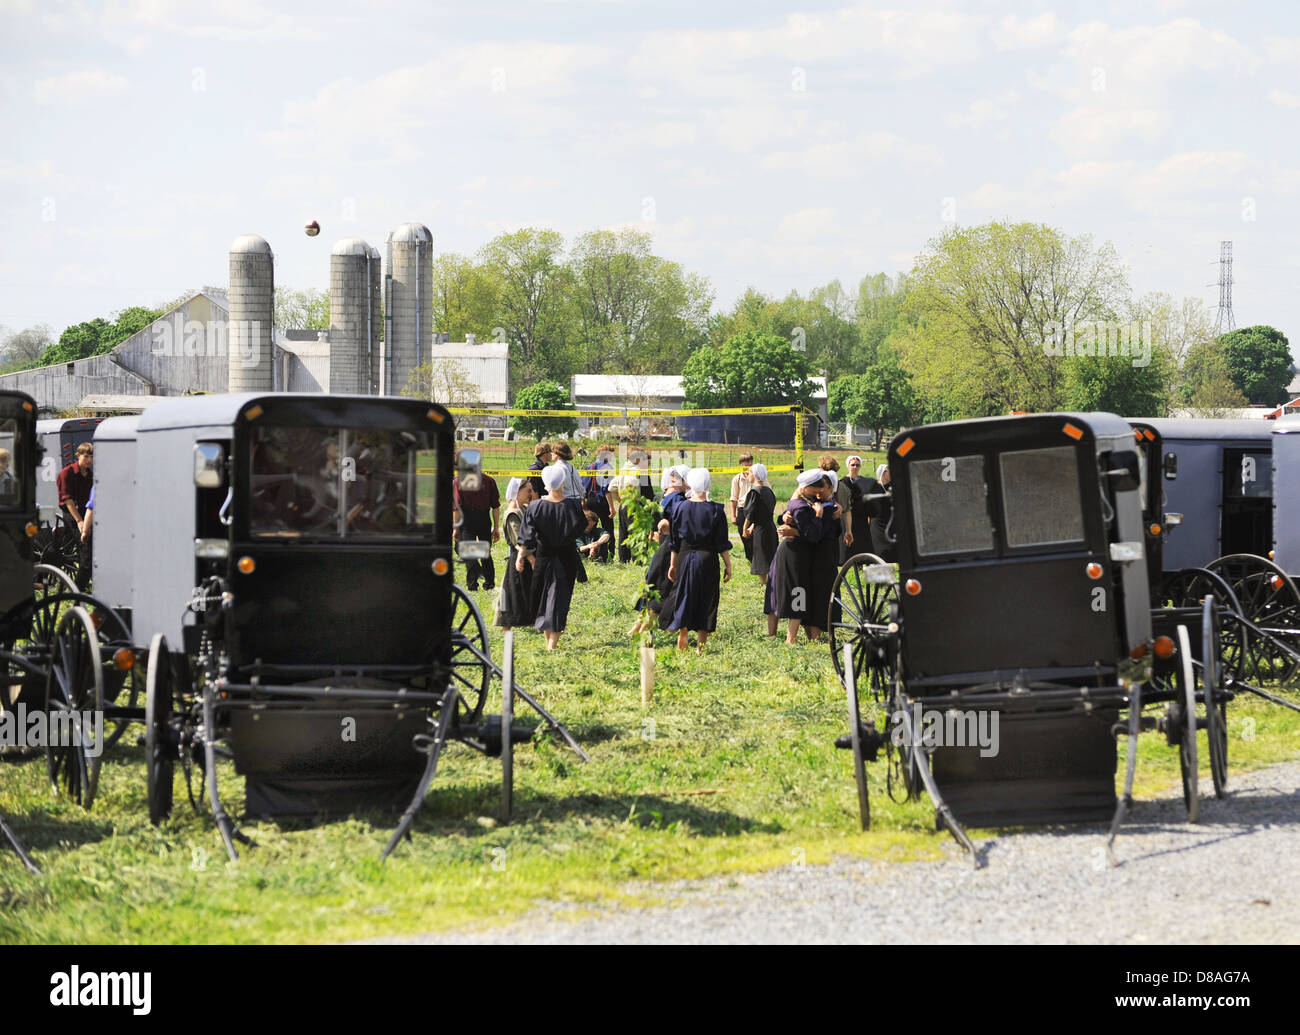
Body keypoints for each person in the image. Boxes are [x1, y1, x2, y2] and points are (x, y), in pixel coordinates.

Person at [518, 463, 587, 650]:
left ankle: (549, 641)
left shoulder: (535, 507)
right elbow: (581, 527)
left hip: (543, 558)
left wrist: (520, 556)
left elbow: (526, 535)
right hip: (566, 558)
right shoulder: (572, 506)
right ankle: (552, 644)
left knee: (542, 597)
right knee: (560, 599)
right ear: (563, 482)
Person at [665, 468, 732, 652]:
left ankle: (683, 631)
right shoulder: (717, 509)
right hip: (708, 558)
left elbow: (674, 541)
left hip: (685, 556)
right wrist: (728, 565)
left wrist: (672, 564)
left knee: (685, 594)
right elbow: (722, 542)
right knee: (707, 598)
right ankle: (701, 646)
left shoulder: (680, 507)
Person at [764, 469, 830, 644]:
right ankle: (790, 639)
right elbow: (813, 535)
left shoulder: (800, 500)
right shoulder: (800, 506)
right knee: (798, 591)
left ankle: (776, 635)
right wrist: (819, 515)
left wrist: (786, 522)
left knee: (784, 589)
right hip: (795, 553)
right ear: (806, 487)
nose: (817, 494)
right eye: (815, 490)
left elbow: (788, 516)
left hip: (790, 549)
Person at [453, 455, 500, 592]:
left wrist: (455, 528)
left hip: (466, 518)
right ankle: (489, 583)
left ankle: (472, 584)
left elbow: (456, 508)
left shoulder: (458, 482)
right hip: (483, 518)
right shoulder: (489, 480)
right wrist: (496, 527)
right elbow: (495, 507)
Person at [496, 478, 537, 631]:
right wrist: (531, 558)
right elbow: (518, 539)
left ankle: (530, 620)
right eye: (528, 490)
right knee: (513, 593)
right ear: (517, 492)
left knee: (526, 591)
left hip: (527, 557)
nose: (531, 493)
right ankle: (506, 625)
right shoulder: (513, 514)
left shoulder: (524, 509)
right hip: (519, 559)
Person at [56, 442, 93, 587]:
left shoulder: (90, 475)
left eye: (91, 457)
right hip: (72, 513)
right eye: (86, 456)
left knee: (91, 547)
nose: (89, 460)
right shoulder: (67, 473)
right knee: (85, 548)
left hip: (86, 512)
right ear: (78, 455)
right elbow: (68, 501)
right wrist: (79, 521)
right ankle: (78, 589)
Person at [740, 462, 777, 584]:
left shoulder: (754, 492)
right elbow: (764, 512)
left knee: (761, 555)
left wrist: (745, 528)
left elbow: (750, 513)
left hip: (761, 529)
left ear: (755, 475)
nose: (748, 474)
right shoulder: (768, 491)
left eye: (750, 472)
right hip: (770, 527)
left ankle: (763, 582)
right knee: (770, 553)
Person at [841, 455, 872, 563]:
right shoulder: (842, 482)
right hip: (848, 514)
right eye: (852, 464)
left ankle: (862, 562)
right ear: (848, 466)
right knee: (849, 538)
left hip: (861, 515)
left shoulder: (864, 481)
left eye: (857, 465)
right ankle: (848, 562)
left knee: (862, 539)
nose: (855, 467)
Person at [727, 454, 756, 565]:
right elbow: (734, 498)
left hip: (754, 509)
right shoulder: (737, 479)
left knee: (754, 534)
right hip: (742, 509)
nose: (748, 464)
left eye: (750, 462)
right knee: (744, 535)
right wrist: (733, 515)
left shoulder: (756, 477)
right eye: (746, 462)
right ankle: (750, 558)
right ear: (741, 464)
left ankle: (757, 559)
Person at [869, 463, 896, 562]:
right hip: (878, 523)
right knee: (880, 549)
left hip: (891, 521)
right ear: (884, 473)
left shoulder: (893, 487)